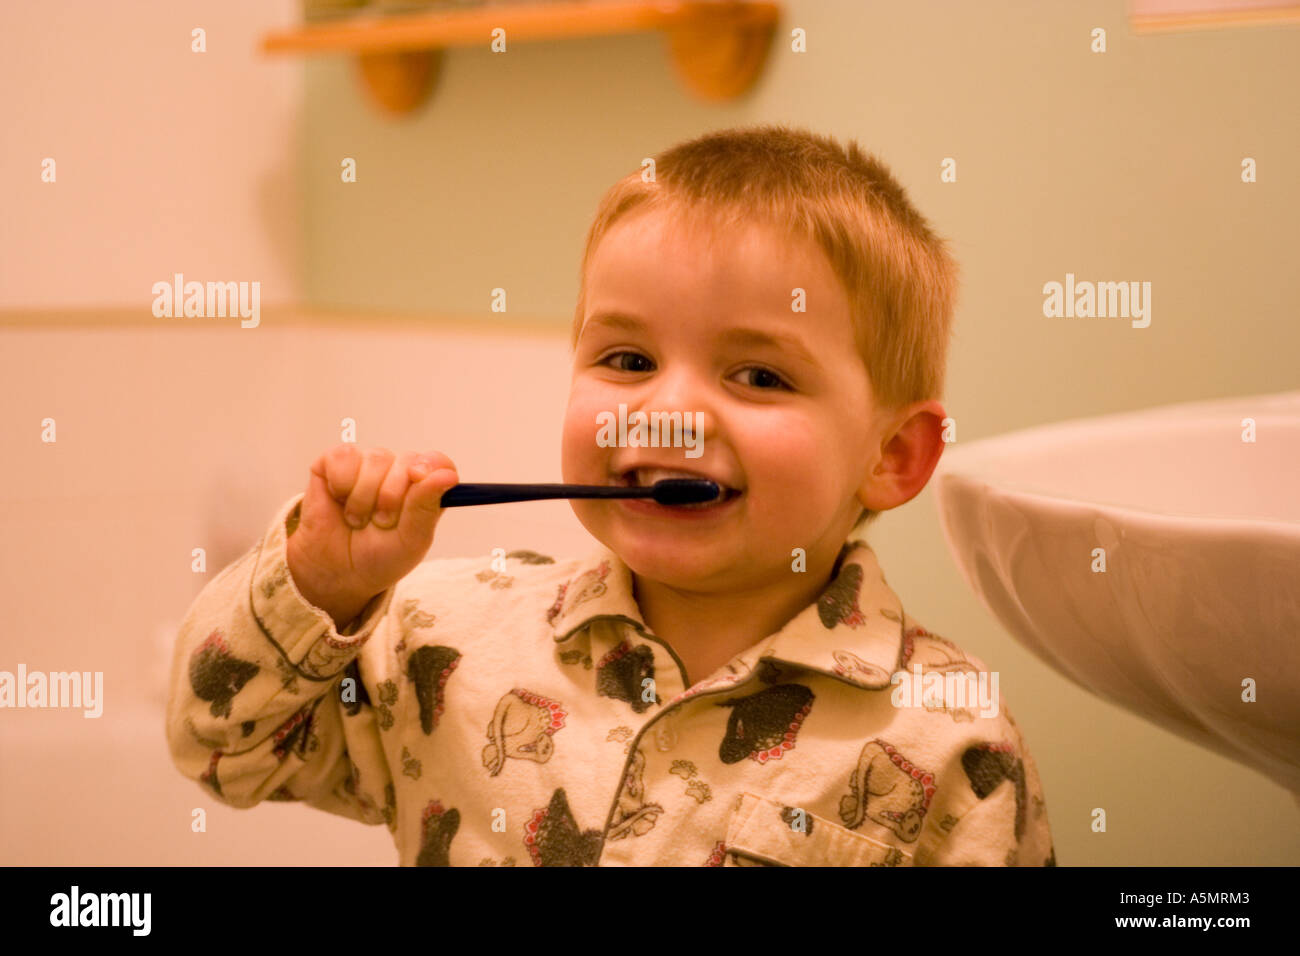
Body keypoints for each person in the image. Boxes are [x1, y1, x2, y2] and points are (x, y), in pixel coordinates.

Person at [166, 123, 1055, 866]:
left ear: (893, 453)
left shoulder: (950, 741)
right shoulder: (437, 640)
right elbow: (219, 751)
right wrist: (319, 582)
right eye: (627, 361)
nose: (667, 411)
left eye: (757, 374)